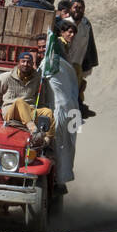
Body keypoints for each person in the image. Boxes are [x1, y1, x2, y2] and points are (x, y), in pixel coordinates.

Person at [41, 18, 81, 190]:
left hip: (63, 111)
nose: (71, 36)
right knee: (69, 144)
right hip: (74, 111)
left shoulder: (51, 64)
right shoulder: (67, 65)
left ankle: (59, 179)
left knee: (58, 143)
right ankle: (63, 178)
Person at [0, 50, 51, 140]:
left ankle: (46, 140)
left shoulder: (38, 79)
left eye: (28, 62)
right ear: (18, 63)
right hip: (11, 112)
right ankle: (33, 130)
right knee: (20, 102)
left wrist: (41, 114)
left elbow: (41, 99)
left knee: (48, 112)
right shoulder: (6, 77)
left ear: (32, 64)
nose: (25, 64)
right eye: (23, 61)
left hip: (30, 111)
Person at [65, 0, 99, 118]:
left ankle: (73, 126)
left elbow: (87, 48)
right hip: (64, 66)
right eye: (75, 7)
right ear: (70, 9)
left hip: (77, 67)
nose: (78, 10)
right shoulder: (65, 24)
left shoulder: (86, 27)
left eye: (80, 8)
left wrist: (87, 66)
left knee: (75, 94)